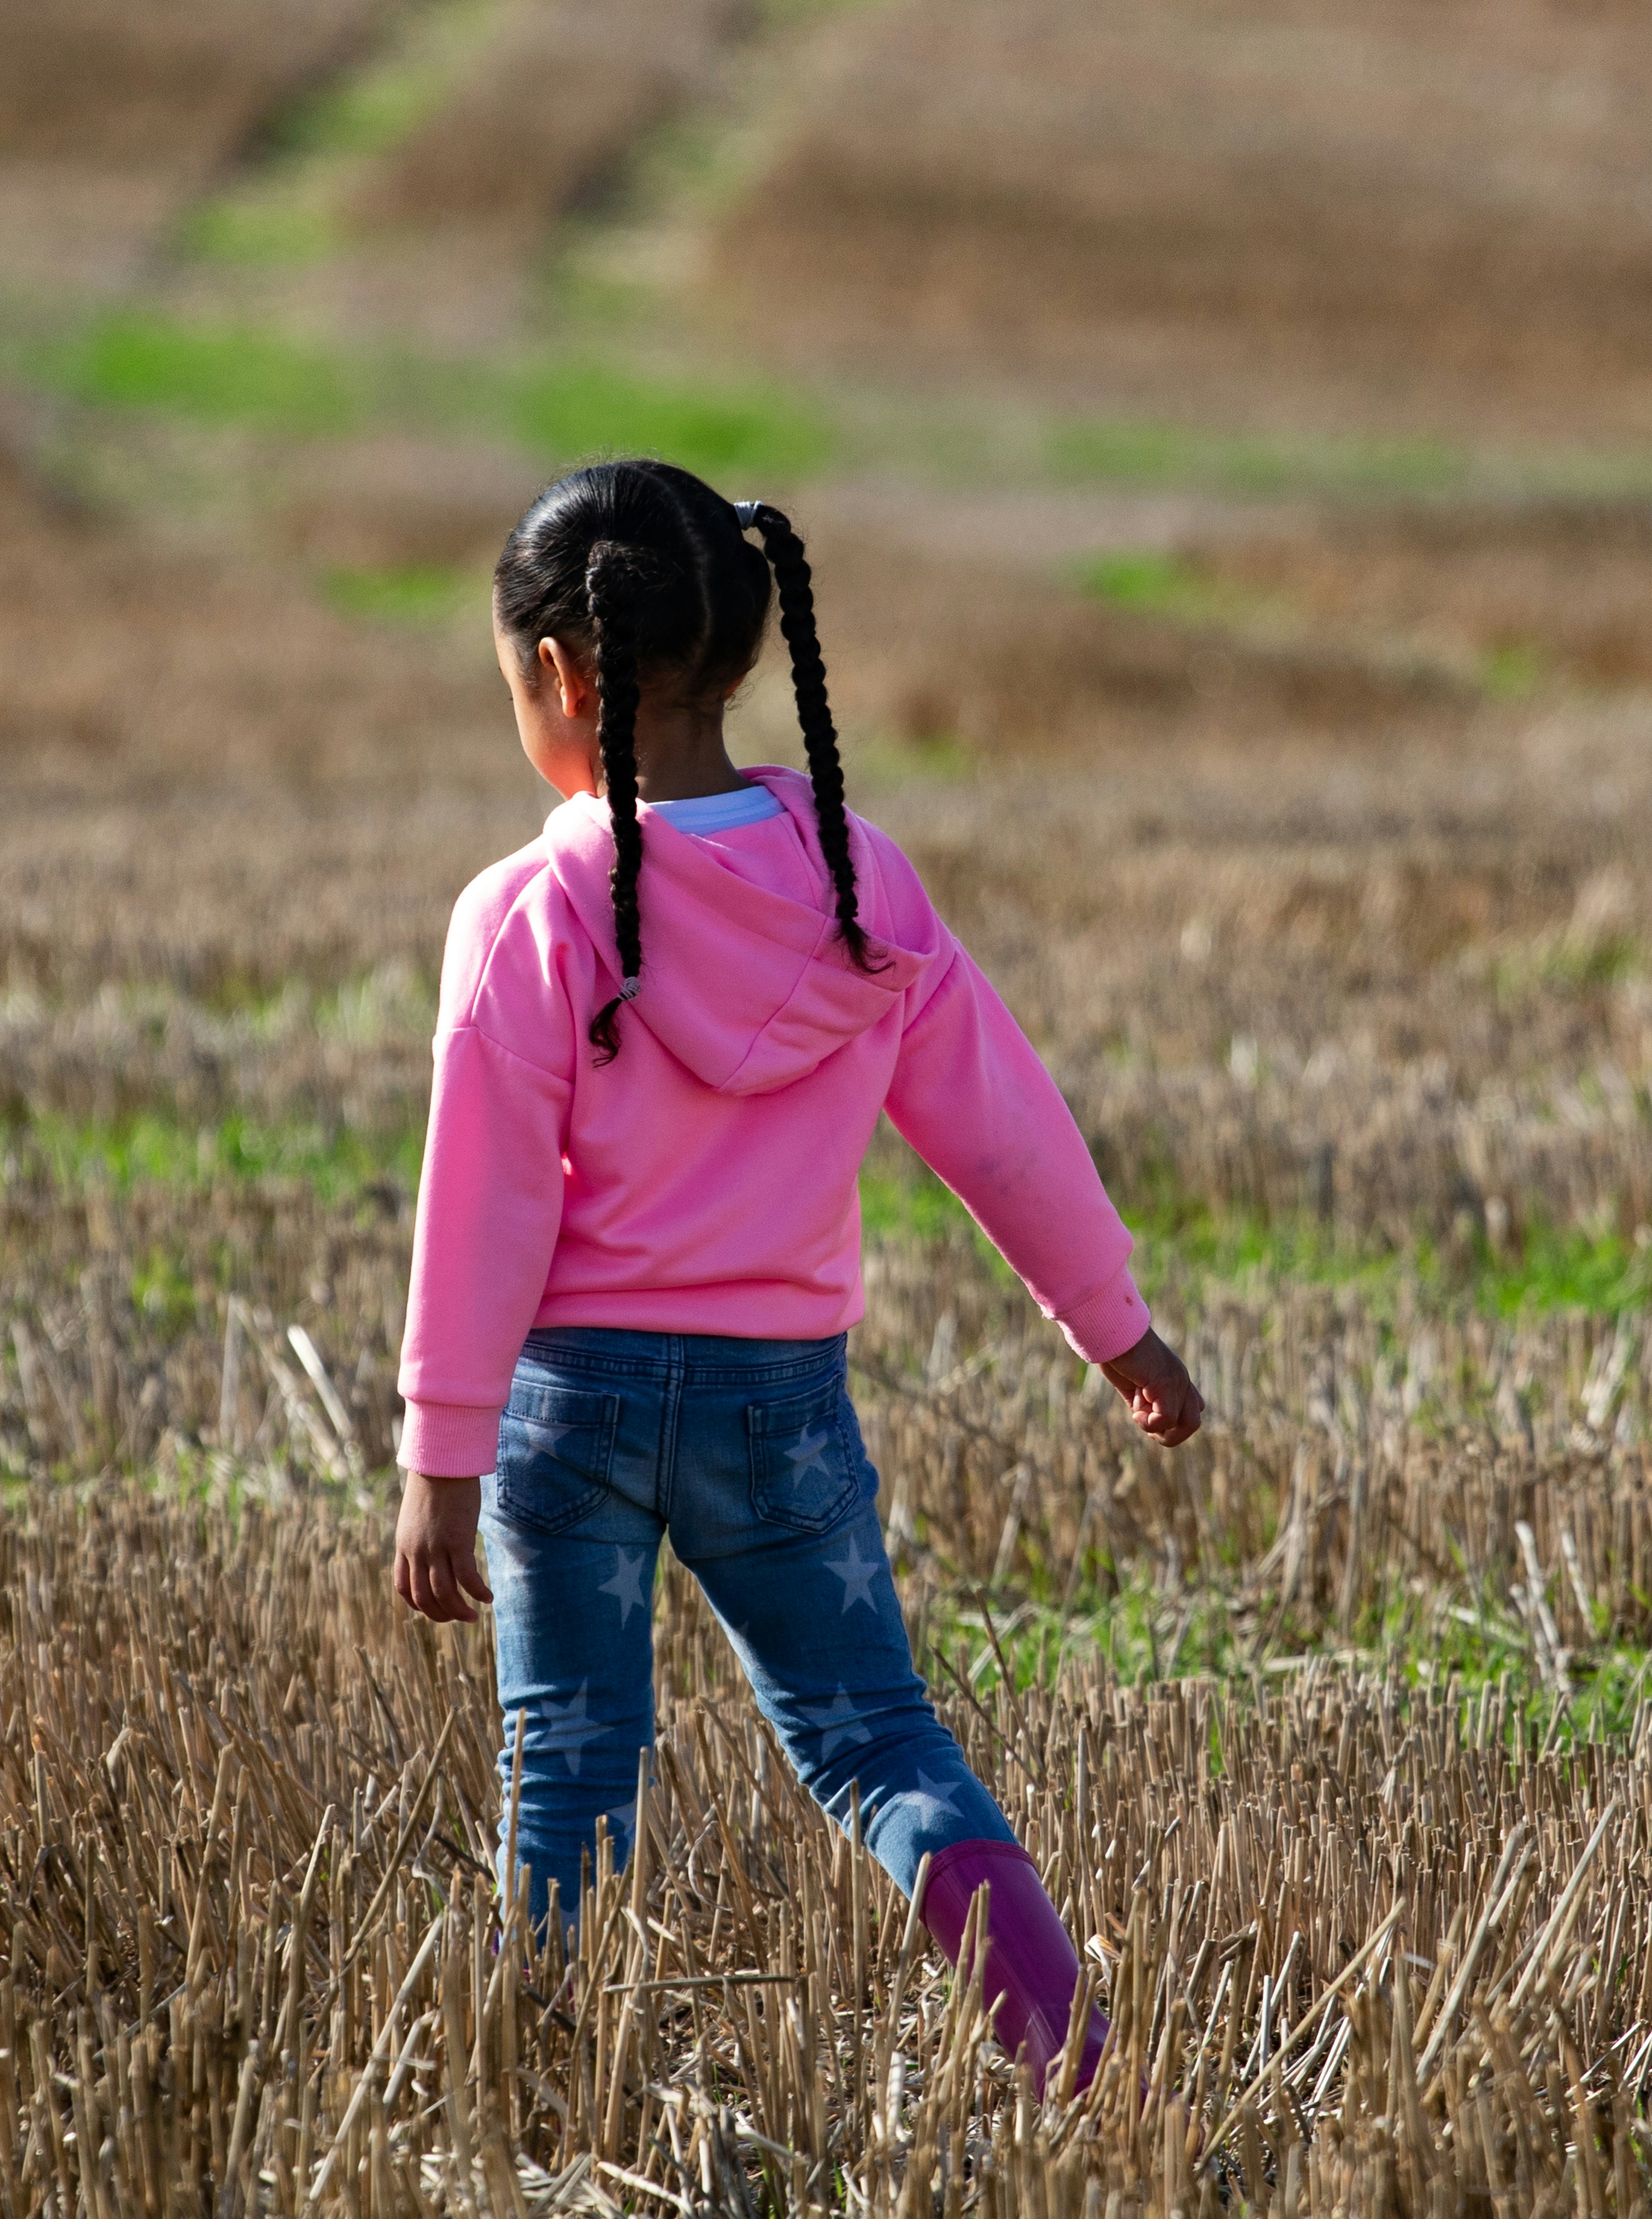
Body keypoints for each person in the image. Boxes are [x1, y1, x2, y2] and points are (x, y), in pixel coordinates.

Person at [391, 458, 1204, 2098]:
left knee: (569, 1765)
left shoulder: (532, 911)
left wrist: (439, 1451)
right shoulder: (855, 885)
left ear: (558, 675)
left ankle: (548, 2101)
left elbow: (478, 1206)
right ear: (747, 652)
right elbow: (1003, 1129)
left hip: (575, 1412)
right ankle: (1066, 2053)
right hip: (780, 1409)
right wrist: (1113, 1324)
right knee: (875, 1741)